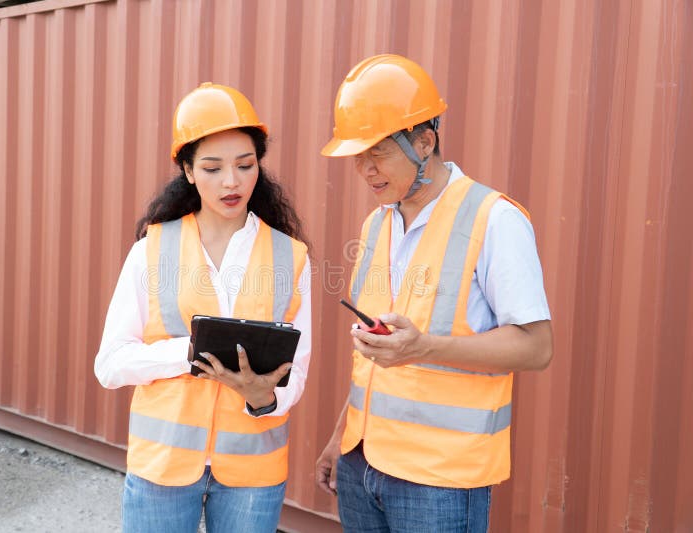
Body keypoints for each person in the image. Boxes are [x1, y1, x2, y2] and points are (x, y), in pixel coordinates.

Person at [314, 54, 553, 532]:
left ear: (424, 142)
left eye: (377, 152)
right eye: (358, 156)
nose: (365, 169)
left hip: (439, 480)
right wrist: (342, 435)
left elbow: (536, 347)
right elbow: (375, 350)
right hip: (362, 464)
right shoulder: (377, 222)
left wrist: (423, 346)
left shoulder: (494, 220)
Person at [94, 82, 312, 533]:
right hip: (164, 467)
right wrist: (189, 352)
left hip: (252, 474)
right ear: (189, 172)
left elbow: (297, 374)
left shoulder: (291, 257)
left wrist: (262, 396)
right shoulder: (152, 250)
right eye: (212, 168)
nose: (231, 182)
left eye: (245, 165)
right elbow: (110, 365)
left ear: (258, 167)